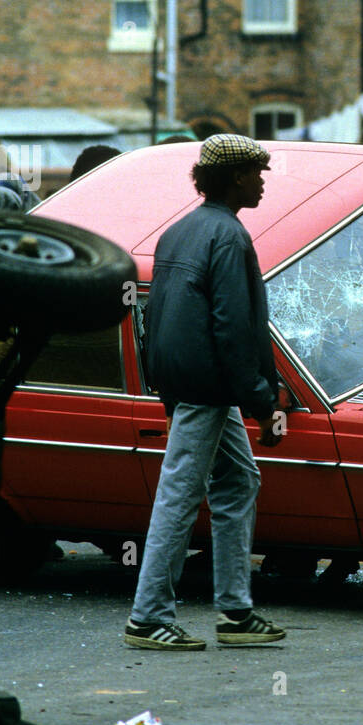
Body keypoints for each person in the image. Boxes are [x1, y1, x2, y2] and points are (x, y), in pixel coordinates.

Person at [126, 134, 288, 649]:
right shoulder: (230, 237)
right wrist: (265, 402)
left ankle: (235, 613)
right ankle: (148, 617)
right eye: (256, 173)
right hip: (208, 388)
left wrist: (168, 389)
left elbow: (157, 317)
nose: (263, 181)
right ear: (236, 177)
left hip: (187, 384)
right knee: (178, 497)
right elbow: (238, 330)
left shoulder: (180, 230)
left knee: (238, 482)